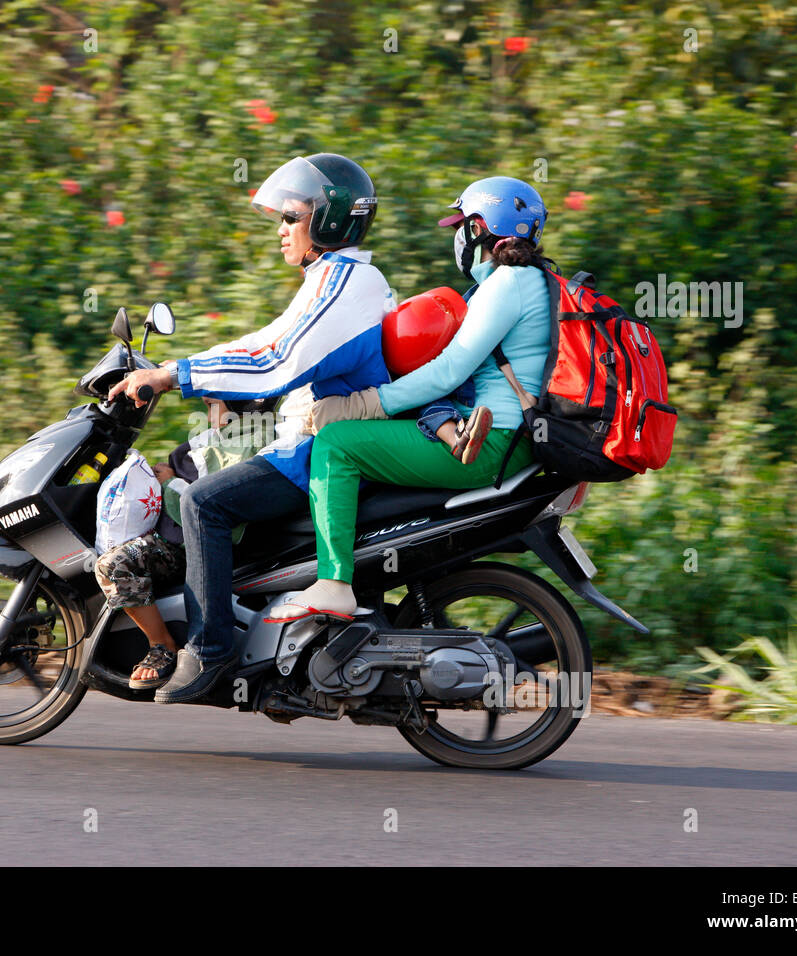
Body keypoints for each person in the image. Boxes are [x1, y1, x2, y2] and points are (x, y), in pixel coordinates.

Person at [107, 153, 394, 703]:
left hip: (315, 446)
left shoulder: (345, 281)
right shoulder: (335, 278)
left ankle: (208, 651)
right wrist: (196, 371)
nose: (282, 229)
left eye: (293, 217)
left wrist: (175, 376)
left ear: (329, 220)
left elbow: (276, 359)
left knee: (201, 502)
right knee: (196, 459)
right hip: (310, 434)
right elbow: (268, 341)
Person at [268, 176, 553, 621]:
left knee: (337, 445)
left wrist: (364, 403)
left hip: (495, 440)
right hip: (503, 433)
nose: (457, 237)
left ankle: (335, 582)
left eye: (461, 225)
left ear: (479, 228)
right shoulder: (533, 280)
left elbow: (448, 370)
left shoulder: (509, 283)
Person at [94, 397, 275, 690]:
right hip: (169, 533)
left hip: (188, 545)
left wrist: (168, 483)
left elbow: (204, 505)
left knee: (114, 565)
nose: (207, 413)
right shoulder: (221, 441)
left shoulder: (247, 449)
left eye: (212, 405)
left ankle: (160, 644)